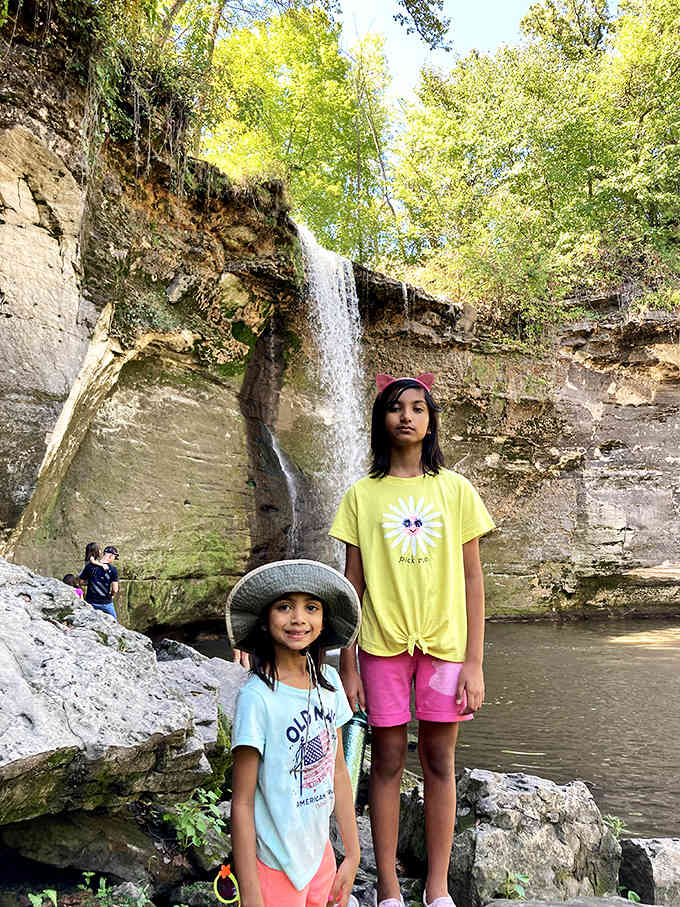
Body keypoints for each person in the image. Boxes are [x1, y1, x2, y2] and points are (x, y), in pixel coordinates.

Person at [329, 373, 495, 907]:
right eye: (396, 407)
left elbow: (473, 578)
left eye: (418, 407)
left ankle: (439, 887)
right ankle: (389, 888)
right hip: (380, 645)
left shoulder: (455, 489)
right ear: (382, 419)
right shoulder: (362, 495)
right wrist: (346, 661)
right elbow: (350, 586)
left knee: (440, 762)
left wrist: (475, 661)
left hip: (445, 646)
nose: (407, 416)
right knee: (387, 761)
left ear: (431, 420)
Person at [228, 559, 362, 907]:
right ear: (265, 619)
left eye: (311, 607)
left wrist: (353, 853)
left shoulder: (330, 683)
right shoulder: (256, 698)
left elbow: (337, 772)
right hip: (275, 866)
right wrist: (250, 892)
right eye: (284, 606)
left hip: (321, 857)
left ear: (323, 619)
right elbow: (242, 801)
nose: (298, 618)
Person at [79, 543, 119, 619]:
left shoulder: (89, 566)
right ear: (111, 556)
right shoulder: (113, 569)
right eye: (114, 557)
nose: (114, 560)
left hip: (90, 602)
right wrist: (112, 595)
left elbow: (81, 582)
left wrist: (91, 582)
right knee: (114, 623)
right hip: (106, 603)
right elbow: (115, 589)